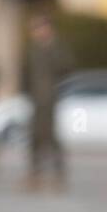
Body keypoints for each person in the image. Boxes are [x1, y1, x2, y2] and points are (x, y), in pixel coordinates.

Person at [24, 13, 72, 192]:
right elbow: (26, 73)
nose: (36, 32)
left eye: (39, 28)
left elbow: (66, 67)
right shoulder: (33, 49)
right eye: (34, 29)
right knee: (35, 136)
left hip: (50, 98)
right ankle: (34, 174)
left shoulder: (56, 48)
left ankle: (59, 174)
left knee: (51, 137)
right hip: (36, 98)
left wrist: (52, 46)